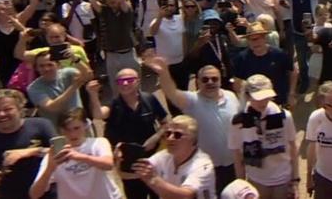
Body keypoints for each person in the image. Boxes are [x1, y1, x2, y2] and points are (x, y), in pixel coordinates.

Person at [146, 56, 239, 193]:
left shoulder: (231, 96)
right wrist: (163, 73)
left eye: (214, 79)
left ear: (220, 80)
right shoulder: (192, 100)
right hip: (205, 168)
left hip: (233, 164)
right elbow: (172, 92)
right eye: (205, 79)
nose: (210, 82)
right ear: (197, 82)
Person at [87, 69, 168, 199]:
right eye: (120, 81)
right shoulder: (114, 104)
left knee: (157, 195)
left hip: (152, 158)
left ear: (138, 81)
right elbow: (98, 114)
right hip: (128, 162)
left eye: (129, 80)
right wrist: (93, 95)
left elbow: (166, 123)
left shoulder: (149, 99)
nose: (125, 84)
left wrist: (156, 138)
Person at [228, 75, 299, 199]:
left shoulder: (284, 117)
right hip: (256, 180)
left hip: (283, 179)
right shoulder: (238, 121)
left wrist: (295, 180)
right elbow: (237, 155)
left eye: (266, 97)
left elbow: (293, 148)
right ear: (248, 96)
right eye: (259, 98)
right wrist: (242, 185)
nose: (263, 102)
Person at [29, 108, 122, 199]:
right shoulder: (54, 156)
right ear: (61, 130)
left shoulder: (98, 143)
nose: (72, 134)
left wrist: (79, 156)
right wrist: (49, 169)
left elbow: (108, 164)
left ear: (85, 125)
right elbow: (35, 194)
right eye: (67, 129)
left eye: (76, 128)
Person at [132, 115, 217, 198]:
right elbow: (133, 171)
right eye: (168, 133)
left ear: (193, 140)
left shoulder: (203, 164)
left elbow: (186, 196)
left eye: (177, 135)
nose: (170, 138)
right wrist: (126, 161)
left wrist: (154, 179)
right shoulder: (163, 156)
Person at [90, 0, 139, 92]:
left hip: (128, 53)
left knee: (134, 84)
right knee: (116, 86)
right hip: (111, 54)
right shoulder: (105, 11)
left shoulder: (126, 11)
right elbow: (92, 0)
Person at [232, 22, 297, 107]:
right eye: (251, 40)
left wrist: (291, 93)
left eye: (257, 39)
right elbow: (237, 82)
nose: (254, 42)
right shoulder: (241, 58)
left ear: (264, 38)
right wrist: (246, 99)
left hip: (279, 102)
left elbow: (293, 71)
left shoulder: (279, 54)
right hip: (255, 104)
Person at [27, 51, 92, 127]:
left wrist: (76, 59)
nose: (46, 69)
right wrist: (74, 87)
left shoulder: (68, 73)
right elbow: (52, 106)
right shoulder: (34, 88)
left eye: (50, 65)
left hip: (81, 125)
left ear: (58, 65)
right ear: (36, 68)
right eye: (41, 66)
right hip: (57, 129)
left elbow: (88, 75)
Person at [150, 0, 188, 94]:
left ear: (175, 7)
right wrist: (160, 16)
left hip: (181, 63)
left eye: (171, 5)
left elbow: (184, 38)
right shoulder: (156, 21)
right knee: (170, 95)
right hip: (166, 66)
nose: (169, 8)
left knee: (184, 93)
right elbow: (153, 32)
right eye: (166, 6)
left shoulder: (180, 19)